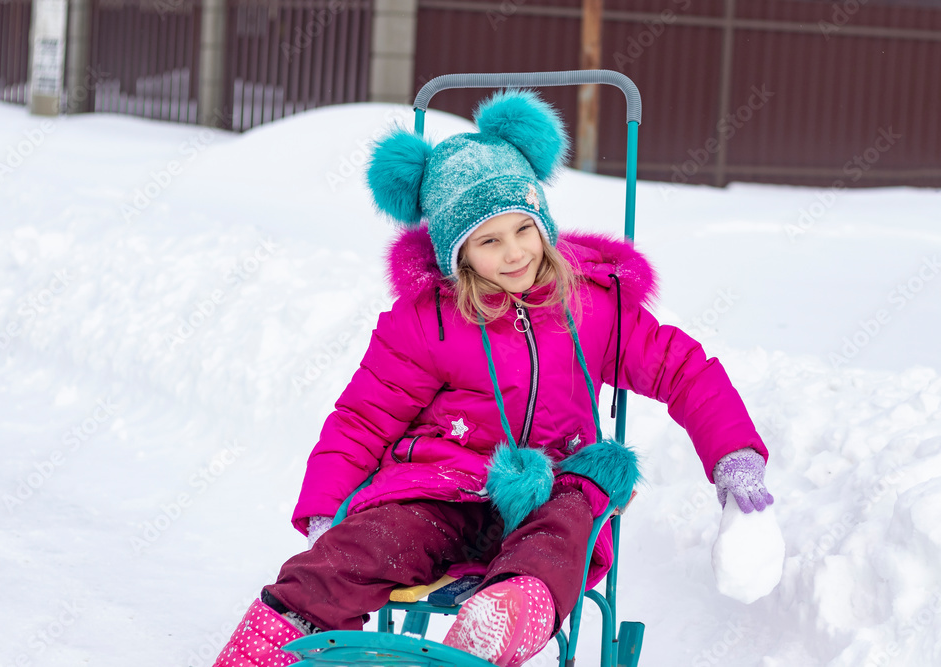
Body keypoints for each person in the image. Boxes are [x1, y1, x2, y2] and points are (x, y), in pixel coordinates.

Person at [211, 90, 774, 667]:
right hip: (440, 487)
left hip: (556, 482)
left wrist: (735, 459)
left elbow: (685, 371)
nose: (513, 254)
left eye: (523, 229)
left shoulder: (593, 306)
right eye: (488, 240)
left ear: (542, 222)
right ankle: (268, 642)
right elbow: (362, 417)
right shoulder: (426, 319)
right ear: (457, 253)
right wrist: (329, 515)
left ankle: (500, 617)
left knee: (567, 524)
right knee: (367, 542)